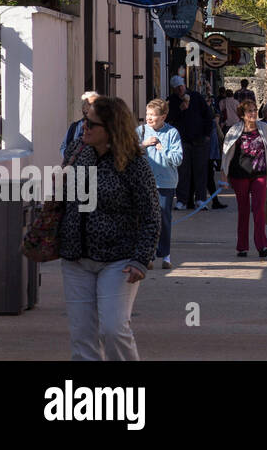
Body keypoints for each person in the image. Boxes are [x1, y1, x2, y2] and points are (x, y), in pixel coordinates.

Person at [59, 95, 160, 360]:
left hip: (119, 260)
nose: (84, 128)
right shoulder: (76, 153)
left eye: (91, 124)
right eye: (84, 121)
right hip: (76, 257)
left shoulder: (134, 164)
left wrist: (141, 259)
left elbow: (151, 216)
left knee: (114, 329)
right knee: (83, 337)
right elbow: (66, 199)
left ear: (111, 129)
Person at [222, 100, 267, 258]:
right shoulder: (234, 130)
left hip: (260, 174)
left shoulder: (264, 128)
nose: (253, 113)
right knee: (243, 211)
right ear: (242, 114)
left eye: (255, 110)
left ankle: (262, 246)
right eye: (249, 111)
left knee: (259, 210)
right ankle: (242, 247)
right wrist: (224, 176)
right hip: (239, 174)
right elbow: (226, 154)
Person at [137, 98, 183, 269]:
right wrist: (143, 144)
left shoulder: (172, 133)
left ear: (163, 117)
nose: (149, 118)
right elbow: (128, 151)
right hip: (144, 182)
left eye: (153, 115)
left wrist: (163, 149)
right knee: (145, 219)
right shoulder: (140, 131)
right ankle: (147, 255)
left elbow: (178, 159)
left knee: (163, 219)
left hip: (166, 182)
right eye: (148, 114)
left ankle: (165, 255)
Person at [168, 76, 219, 211]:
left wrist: (207, 135)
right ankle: (182, 200)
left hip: (200, 140)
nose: (180, 89)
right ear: (173, 90)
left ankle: (201, 199)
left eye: (181, 86)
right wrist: (180, 109)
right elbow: (168, 118)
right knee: (182, 172)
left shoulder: (196, 97)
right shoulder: (171, 101)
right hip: (182, 141)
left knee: (200, 171)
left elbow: (208, 115)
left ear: (184, 85)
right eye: (177, 88)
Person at [61, 90, 101, 158]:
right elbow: (64, 147)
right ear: (83, 108)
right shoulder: (74, 127)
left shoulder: (101, 128)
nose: (92, 106)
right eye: (89, 104)